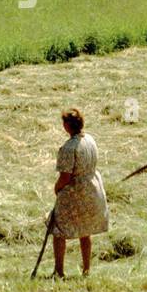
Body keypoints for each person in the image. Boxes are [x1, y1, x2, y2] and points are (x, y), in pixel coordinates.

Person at [50, 108, 109, 277]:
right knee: (85, 231)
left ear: (68, 126)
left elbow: (65, 176)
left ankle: (59, 271)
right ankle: (86, 270)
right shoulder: (89, 139)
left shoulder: (68, 148)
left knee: (59, 230)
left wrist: (57, 188)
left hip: (76, 192)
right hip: (93, 189)